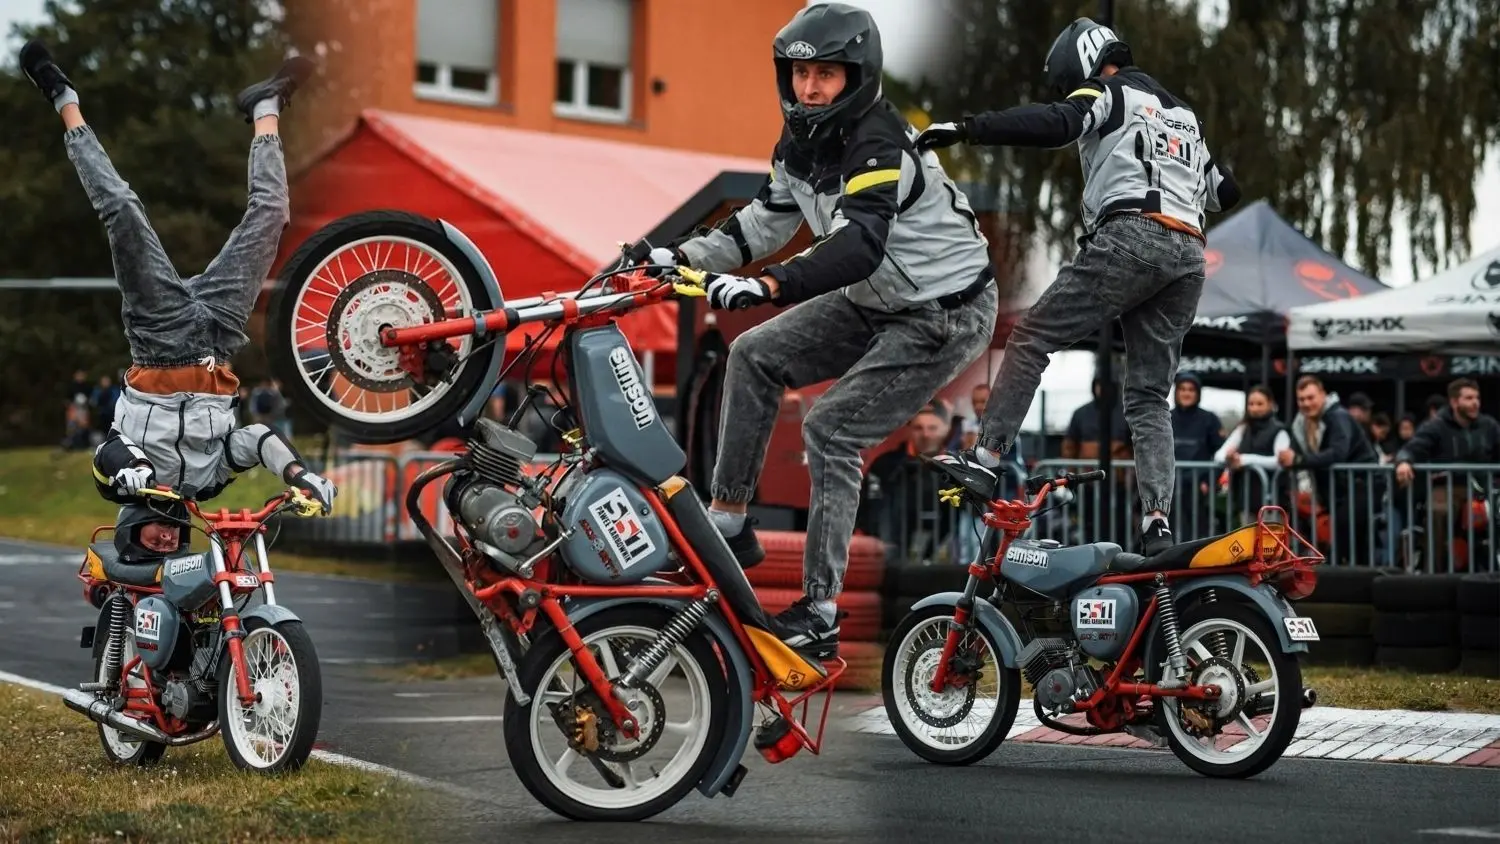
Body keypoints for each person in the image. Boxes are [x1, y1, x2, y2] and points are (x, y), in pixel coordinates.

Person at [626, 2, 999, 659]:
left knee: (831, 429)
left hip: (946, 311)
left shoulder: (878, 142)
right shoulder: (797, 145)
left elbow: (859, 245)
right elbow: (761, 225)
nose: (808, 89)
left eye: (825, 75)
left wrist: (770, 285)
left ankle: (821, 614)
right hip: (875, 297)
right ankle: (732, 520)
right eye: (798, 74)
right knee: (753, 354)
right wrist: (677, 258)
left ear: (859, 77)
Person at [914, 17, 1241, 556]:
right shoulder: (1184, 114)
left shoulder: (1109, 91)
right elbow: (1225, 190)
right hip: (1188, 254)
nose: (1072, 92)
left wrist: (969, 128)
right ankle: (1158, 520)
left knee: (1031, 338)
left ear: (1085, 64)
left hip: (1132, 235)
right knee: (1148, 395)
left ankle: (987, 458)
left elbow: (1057, 123)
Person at [20, 41, 336, 514]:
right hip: (220, 338)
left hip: (160, 338)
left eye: (158, 534)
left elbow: (109, 454)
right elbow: (253, 439)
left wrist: (136, 473)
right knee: (272, 215)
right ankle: (265, 105)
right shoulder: (207, 486)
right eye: (172, 534)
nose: (166, 532)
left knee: (123, 211)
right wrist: (300, 473)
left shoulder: (128, 483)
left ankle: (64, 100)